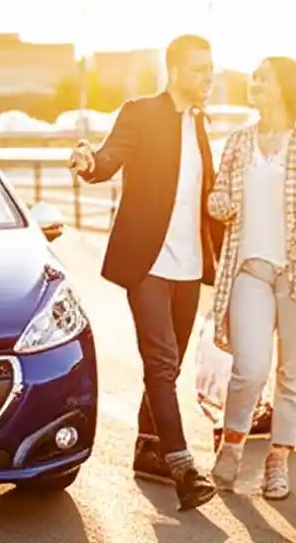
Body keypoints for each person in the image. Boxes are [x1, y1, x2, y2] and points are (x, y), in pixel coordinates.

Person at [69, 34, 222, 511]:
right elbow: (110, 157)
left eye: (211, 69)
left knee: (169, 366)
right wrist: (90, 161)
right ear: (175, 71)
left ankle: (148, 449)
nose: (209, 78)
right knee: (159, 362)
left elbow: (206, 195)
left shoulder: (198, 123)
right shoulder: (140, 112)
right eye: (201, 69)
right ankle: (183, 467)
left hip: (190, 263)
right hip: (149, 263)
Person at [206, 56, 296, 500]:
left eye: (263, 77)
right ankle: (232, 444)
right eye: (253, 77)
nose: (254, 83)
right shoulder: (238, 141)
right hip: (250, 269)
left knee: (293, 370)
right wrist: (221, 198)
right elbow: (218, 203)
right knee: (249, 368)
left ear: (283, 86)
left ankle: (277, 461)